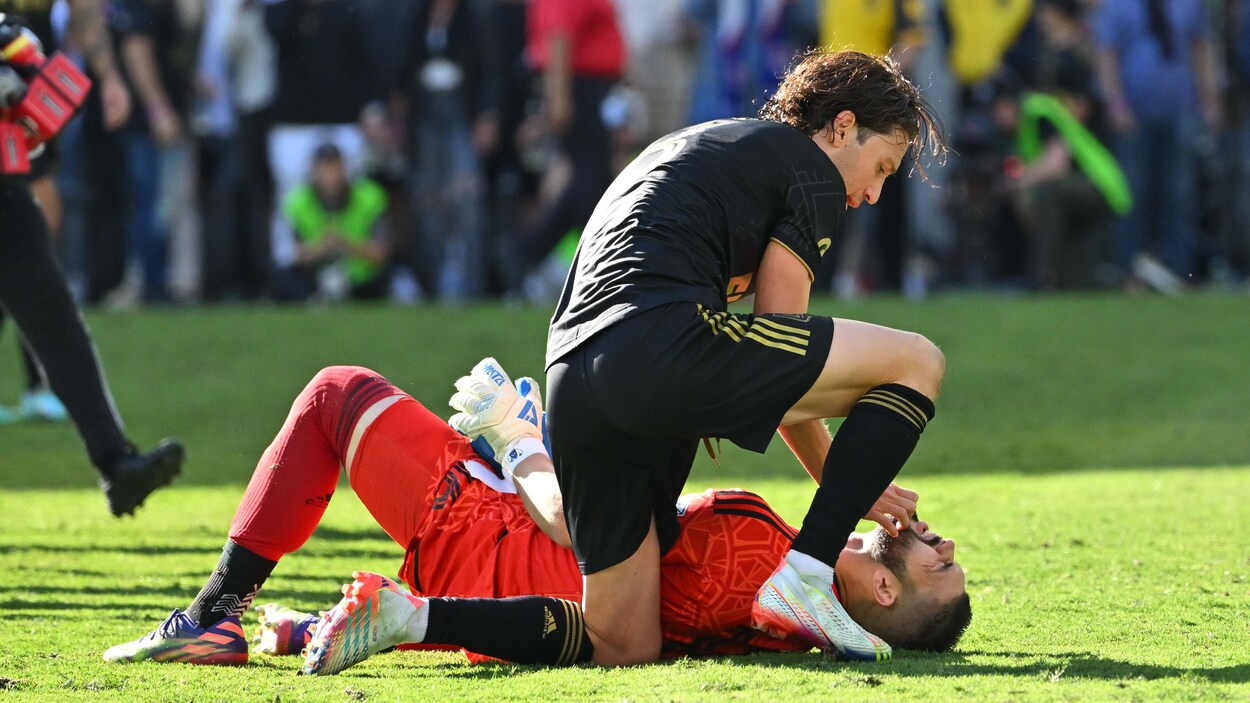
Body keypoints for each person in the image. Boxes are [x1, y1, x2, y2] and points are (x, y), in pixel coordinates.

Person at [101, 361, 969, 666]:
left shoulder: (752, 566)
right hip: (518, 564)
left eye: (936, 560)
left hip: (508, 545)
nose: (936, 538)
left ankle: (216, 612)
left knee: (338, 395)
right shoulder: (779, 581)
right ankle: (300, 622)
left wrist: (523, 447)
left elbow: (603, 531)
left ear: (884, 597)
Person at [0, 13, 184, 516]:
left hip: (8, 171)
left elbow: (82, 13)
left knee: (54, 316)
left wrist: (105, 77)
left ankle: (115, 464)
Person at [0, 0, 131, 420]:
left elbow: (86, 11)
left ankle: (38, 384)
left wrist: (109, 77)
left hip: (31, 108)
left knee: (37, 241)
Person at [273, 143, 391, 301]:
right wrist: (322, 247)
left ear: (345, 169)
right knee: (283, 276)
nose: (331, 176)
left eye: (335, 168)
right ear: (313, 171)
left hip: (361, 279)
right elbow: (288, 254)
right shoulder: (297, 202)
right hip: (315, 275)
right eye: (325, 169)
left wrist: (345, 243)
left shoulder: (370, 197)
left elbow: (381, 253)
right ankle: (313, 300)